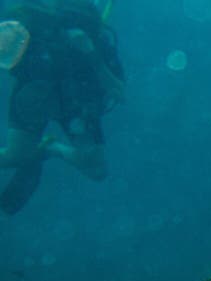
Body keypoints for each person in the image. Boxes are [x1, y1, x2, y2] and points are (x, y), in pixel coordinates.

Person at [0, 0, 123, 214]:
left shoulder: (93, 37)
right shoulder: (33, 26)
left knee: (96, 169)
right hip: (37, 95)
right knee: (15, 155)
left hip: (75, 102)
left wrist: (91, 53)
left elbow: (119, 92)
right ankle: (46, 150)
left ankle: (51, 149)